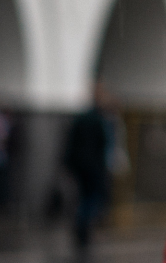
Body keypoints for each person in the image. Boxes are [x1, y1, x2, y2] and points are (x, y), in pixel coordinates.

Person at [63, 85, 116, 259]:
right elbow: (103, 145)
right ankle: (82, 228)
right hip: (93, 167)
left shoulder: (81, 118)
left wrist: (69, 163)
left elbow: (71, 141)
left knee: (84, 196)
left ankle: (80, 227)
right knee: (91, 198)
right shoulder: (100, 120)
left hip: (80, 166)